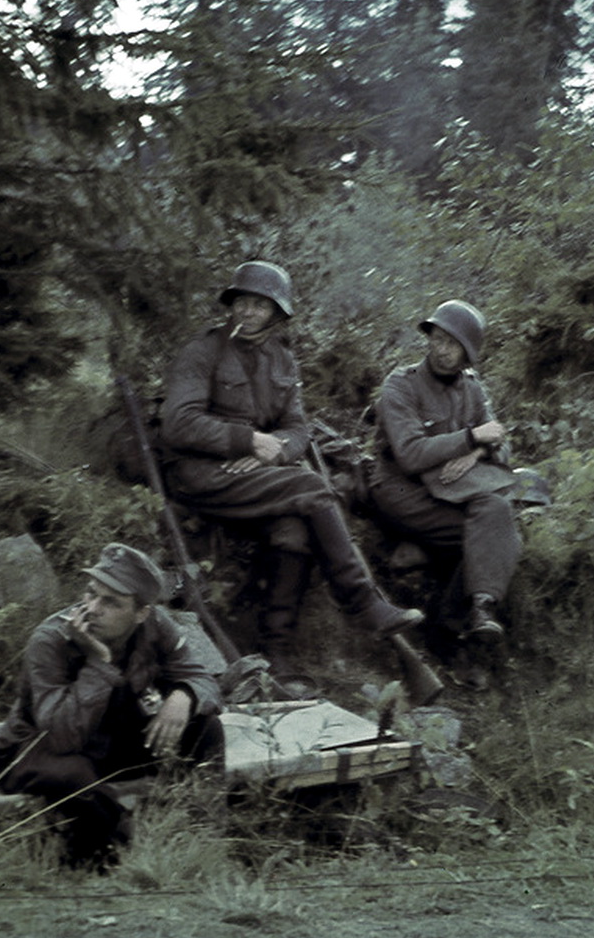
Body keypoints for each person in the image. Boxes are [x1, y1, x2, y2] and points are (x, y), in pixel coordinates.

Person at [158, 261, 421, 675]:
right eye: (243, 302)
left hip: (256, 476)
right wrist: (247, 440)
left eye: (260, 306)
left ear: (277, 314)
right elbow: (178, 423)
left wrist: (274, 449)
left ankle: (276, 651)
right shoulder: (202, 351)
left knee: (294, 533)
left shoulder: (281, 361)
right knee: (312, 486)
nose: (248, 312)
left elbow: (298, 428)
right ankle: (362, 601)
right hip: (202, 476)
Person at [0, 543, 225, 868]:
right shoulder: (51, 639)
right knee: (75, 775)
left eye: (111, 602)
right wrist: (98, 663)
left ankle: (205, 837)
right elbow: (61, 737)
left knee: (207, 729)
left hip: (108, 741)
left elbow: (204, 679)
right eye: (90, 593)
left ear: (142, 613)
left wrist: (185, 695)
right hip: (35, 750)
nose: (93, 608)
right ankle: (120, 853)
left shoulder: (155, 625)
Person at [368, 299, 522, 686]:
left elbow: (501, 445)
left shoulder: (472, 389)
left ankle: (480, 610)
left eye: (452, 344)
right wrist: (471, 437)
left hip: (455, 489)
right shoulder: (401, 384)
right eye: (437, 338)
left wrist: (476, 451)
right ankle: (449, 635)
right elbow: (410, 453)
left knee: (495, 511)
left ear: (467, 353)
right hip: (402, 490)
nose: (441, 349)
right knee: (491, 536)